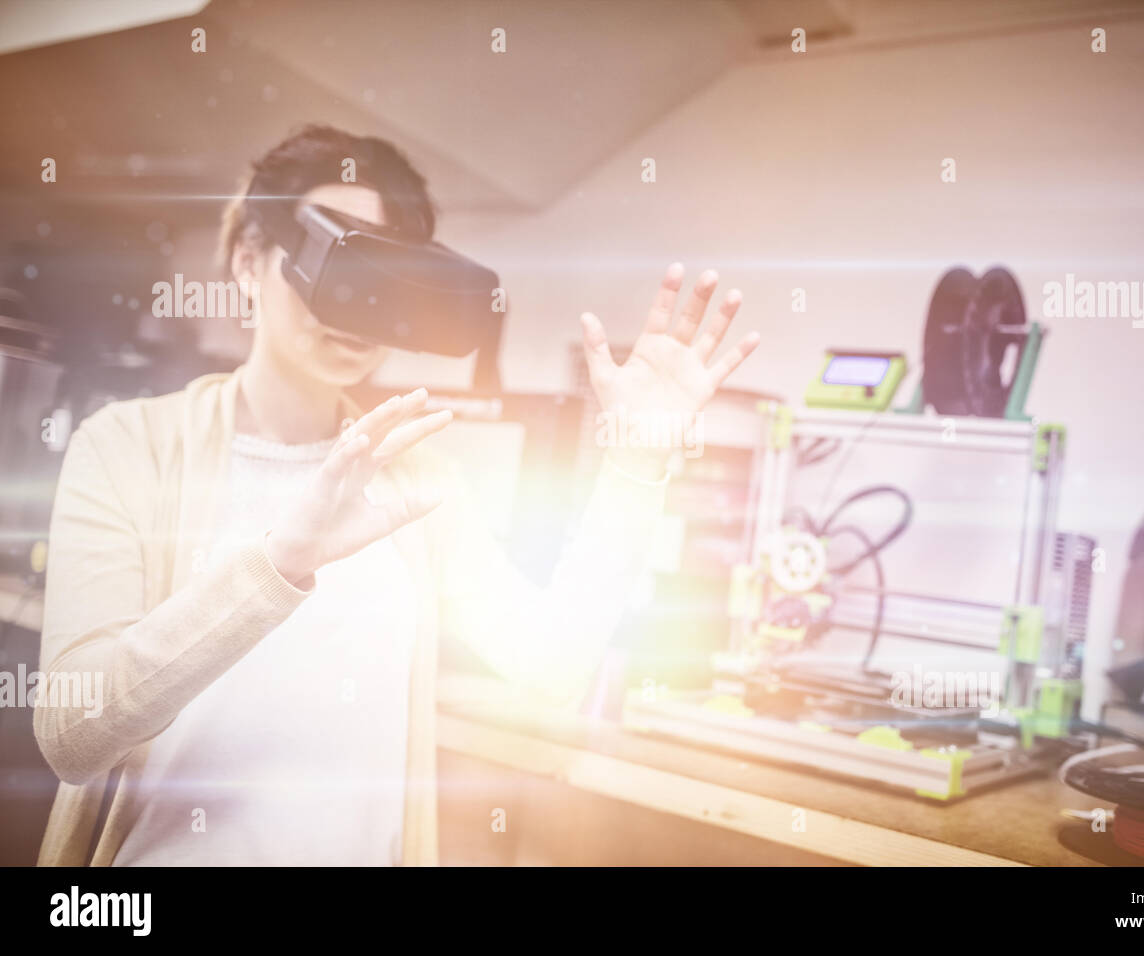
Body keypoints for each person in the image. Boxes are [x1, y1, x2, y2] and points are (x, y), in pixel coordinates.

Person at [33, 125, 759, 865]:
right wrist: (278, 565)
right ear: (249, 262)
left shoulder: (417, 479)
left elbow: (551, 667)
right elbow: (71, 735)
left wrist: (636, 461)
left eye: (387, 272)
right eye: (338, 255)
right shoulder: (126, 447)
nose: (356, 301)